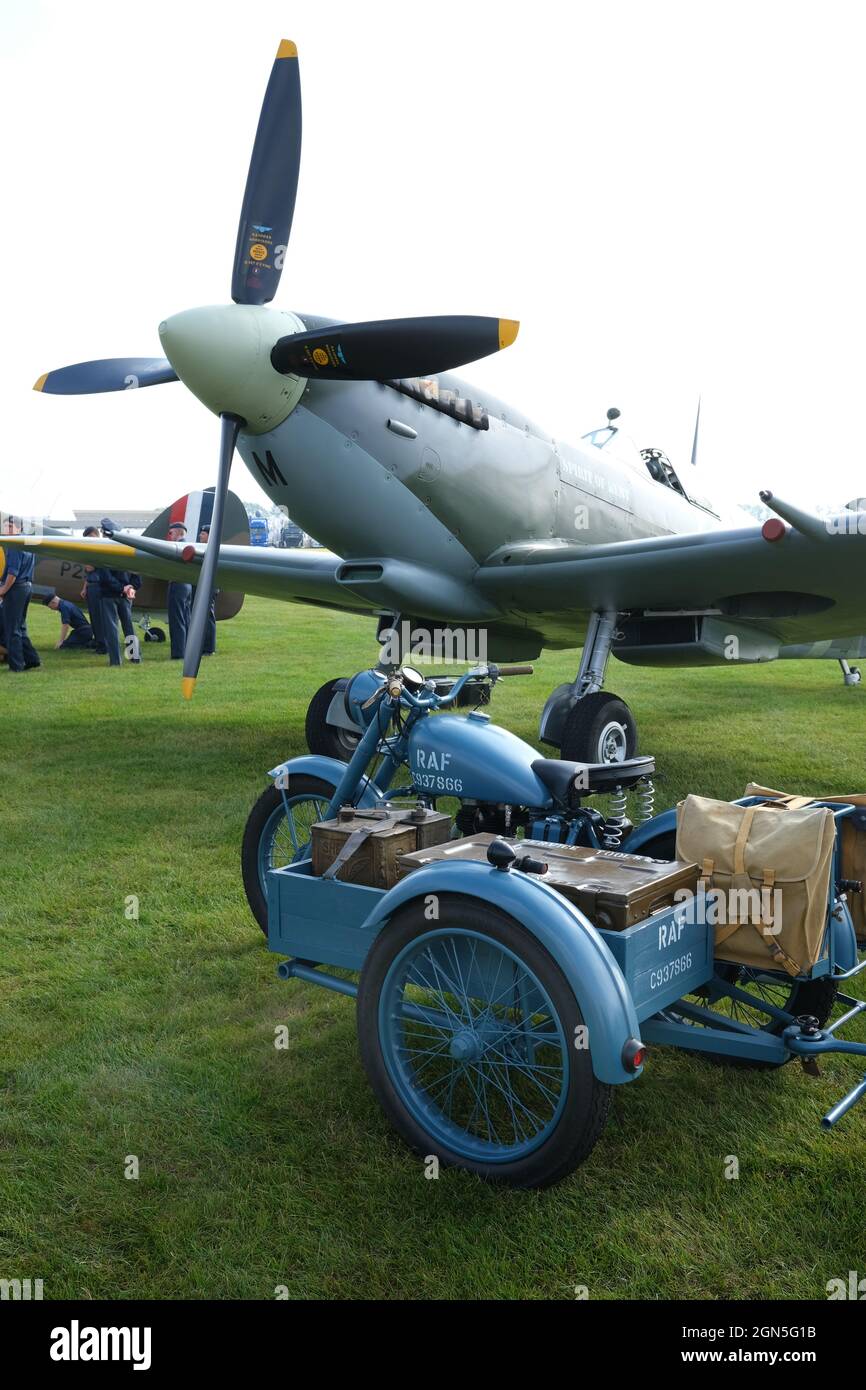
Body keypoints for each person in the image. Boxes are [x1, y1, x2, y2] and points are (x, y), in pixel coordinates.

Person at [0, 515, 41, 672]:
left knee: (13, 629)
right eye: (5, 527)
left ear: (19, 528)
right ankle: (32, 659)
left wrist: (3, 589)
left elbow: (12, 572)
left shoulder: (14, 545)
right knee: (20, 627)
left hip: (16, 588)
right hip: (26, 587)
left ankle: (16, 666)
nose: (7, 530)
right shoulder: (27, 544)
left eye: (10, 527)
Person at [166, 522, 192, 659]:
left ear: (177, 532)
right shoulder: (188, 546)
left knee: (177, 621)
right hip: (187, 585)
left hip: (177, 584)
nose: (169, 536)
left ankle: (178, 653)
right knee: (186, 619)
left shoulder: (177, 547)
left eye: (171, 533)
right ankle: (187, 650)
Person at [81, 527, 107, 654]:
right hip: (91, 586)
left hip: (99, 587)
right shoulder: (89, 550)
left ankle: (103, 645)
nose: (89, 540)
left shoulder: (101, 549)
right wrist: (84, 588)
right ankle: (98, 642)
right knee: (94, 618)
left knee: (100, 617)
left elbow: (90, 567)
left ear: (97, 536)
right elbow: (87, 571)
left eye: (91, 537)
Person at [193, 522, 217, 656]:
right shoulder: (203, 547)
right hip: (202, 584)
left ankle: (209, 648)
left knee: (208, 616)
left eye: (203, 534)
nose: (200, 536)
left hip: (209, 585)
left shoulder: (212, 549)